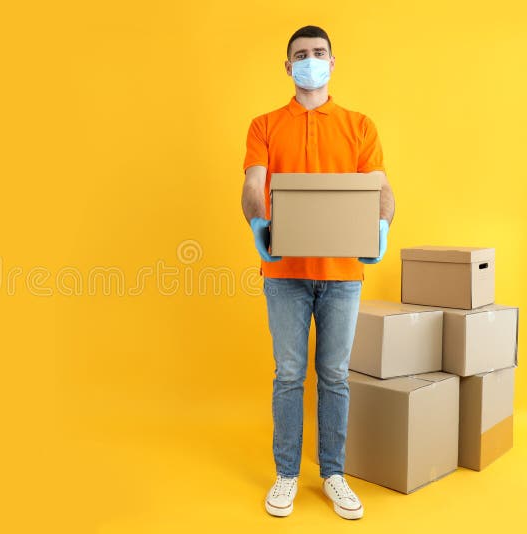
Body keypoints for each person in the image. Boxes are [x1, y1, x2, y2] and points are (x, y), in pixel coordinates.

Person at [240, 25, 395, 520]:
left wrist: (381, 229)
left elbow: (380, 186)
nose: (311, 60)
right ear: (288, 67)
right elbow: (253, 181)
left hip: (344, 274)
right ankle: (287, 474)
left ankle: (333, 473)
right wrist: (259, 220)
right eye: (301, 55)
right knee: (288, 375)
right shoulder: (265, 125)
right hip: (282, 273)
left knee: (333, 376)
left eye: (319, 53)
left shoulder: (359, 125)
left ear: (332, 61)